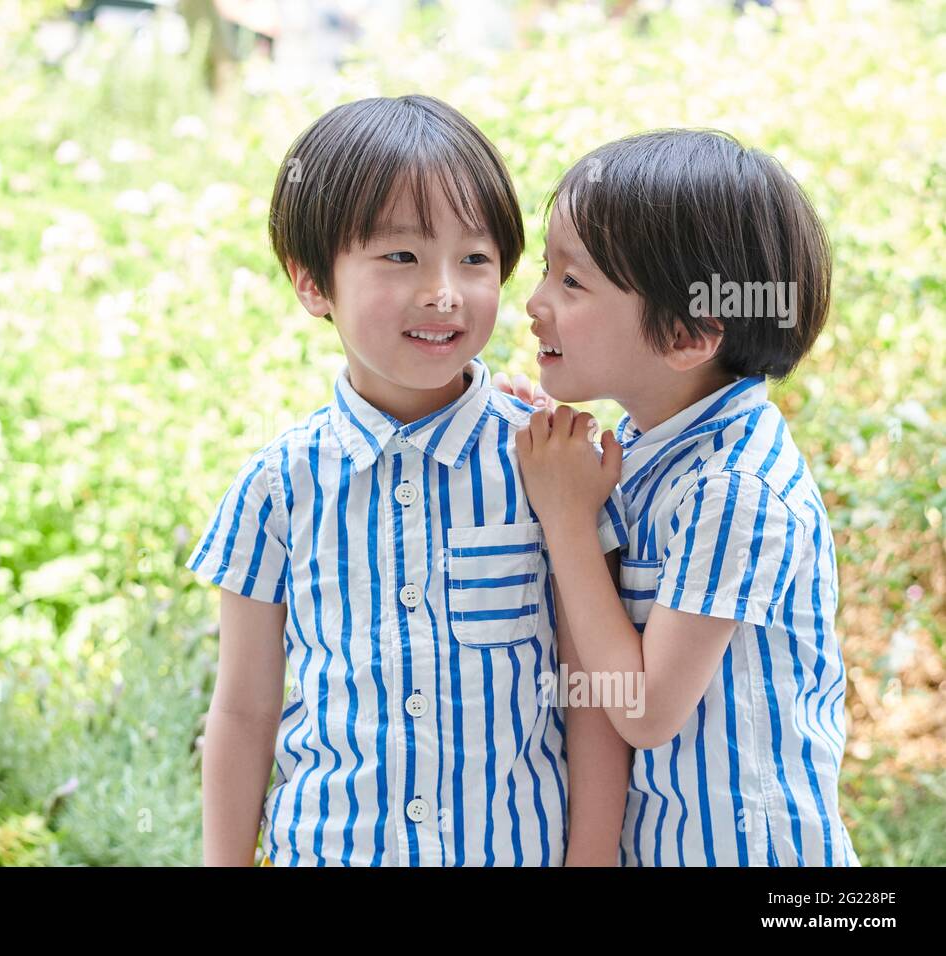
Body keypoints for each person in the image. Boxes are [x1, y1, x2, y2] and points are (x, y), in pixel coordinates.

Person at [185, 95, 631, 866]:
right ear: (312, 284)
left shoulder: (545, 465)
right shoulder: (276, 489)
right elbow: (245, 709)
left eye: (476, 259)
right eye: (401, 257)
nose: (444, 291)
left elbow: (587, 693)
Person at [504, 129, 858, 866]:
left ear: (690, 333)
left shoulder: (737, 490)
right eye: (547, 269)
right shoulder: (653, 440)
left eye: (573, 282)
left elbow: (645, 709)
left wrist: (568, 518)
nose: (536, 301)